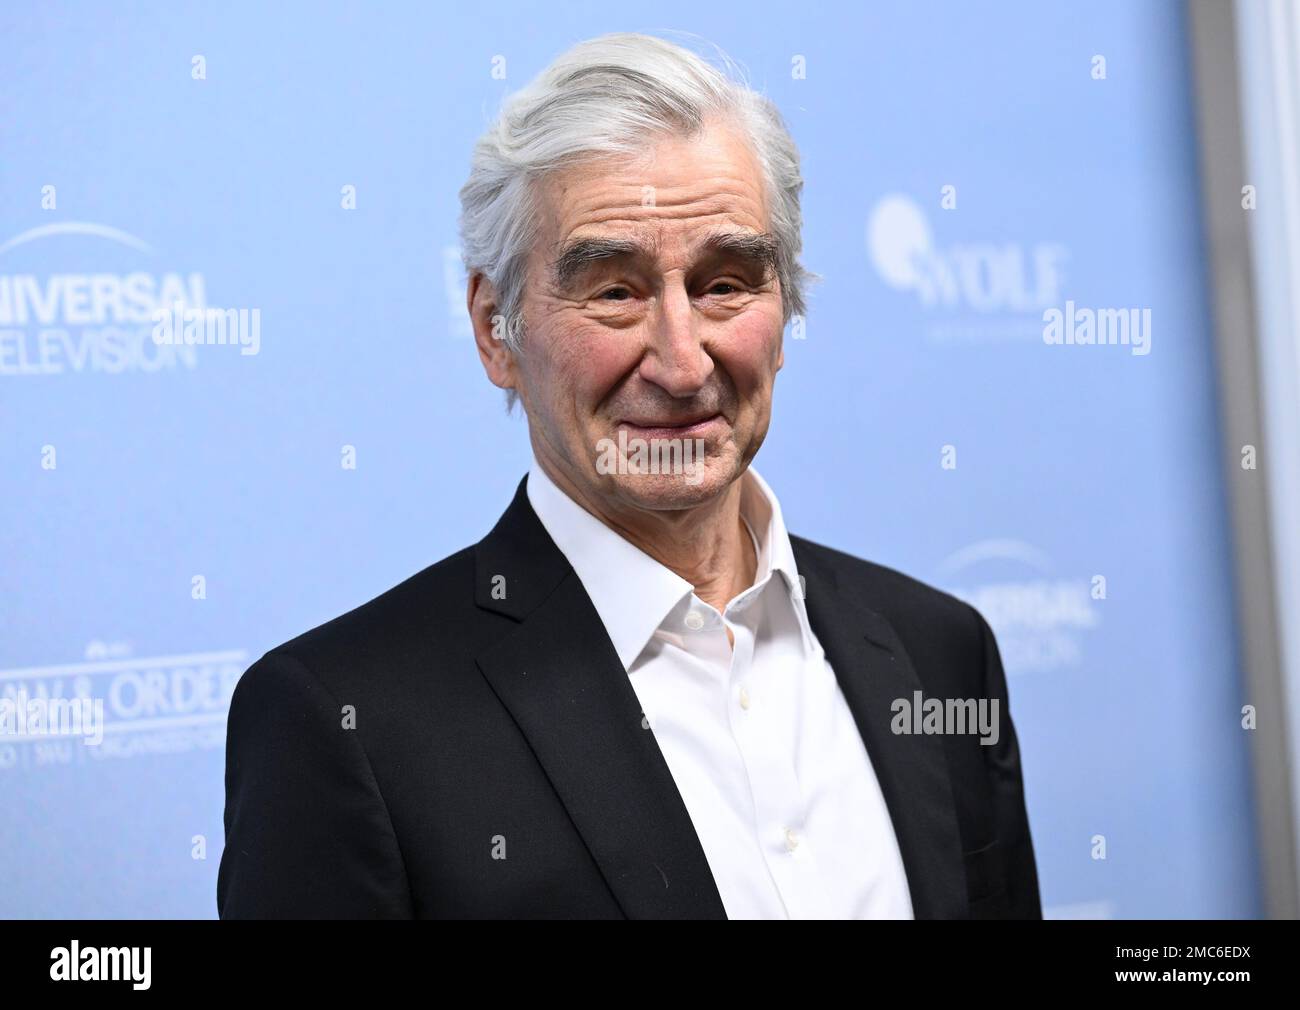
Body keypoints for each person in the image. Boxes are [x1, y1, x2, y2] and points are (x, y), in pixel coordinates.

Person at [218, 31, 1040, 919]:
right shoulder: (346, 724)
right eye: (614, 291)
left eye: (726, 282)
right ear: (497, 329)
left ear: (786, 307)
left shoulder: (941, 653)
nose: (683, 363)